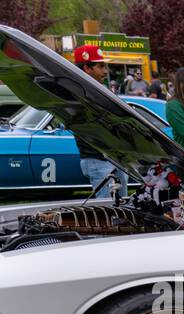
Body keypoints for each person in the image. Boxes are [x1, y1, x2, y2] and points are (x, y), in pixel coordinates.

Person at [70, 44, 129, 199]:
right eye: (100, 66)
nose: (105, 71)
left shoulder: (101, 90)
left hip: (115, 156)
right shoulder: (75, 93)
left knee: (123, 208)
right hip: (97, 157)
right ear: (87, 68)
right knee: (107, 210)